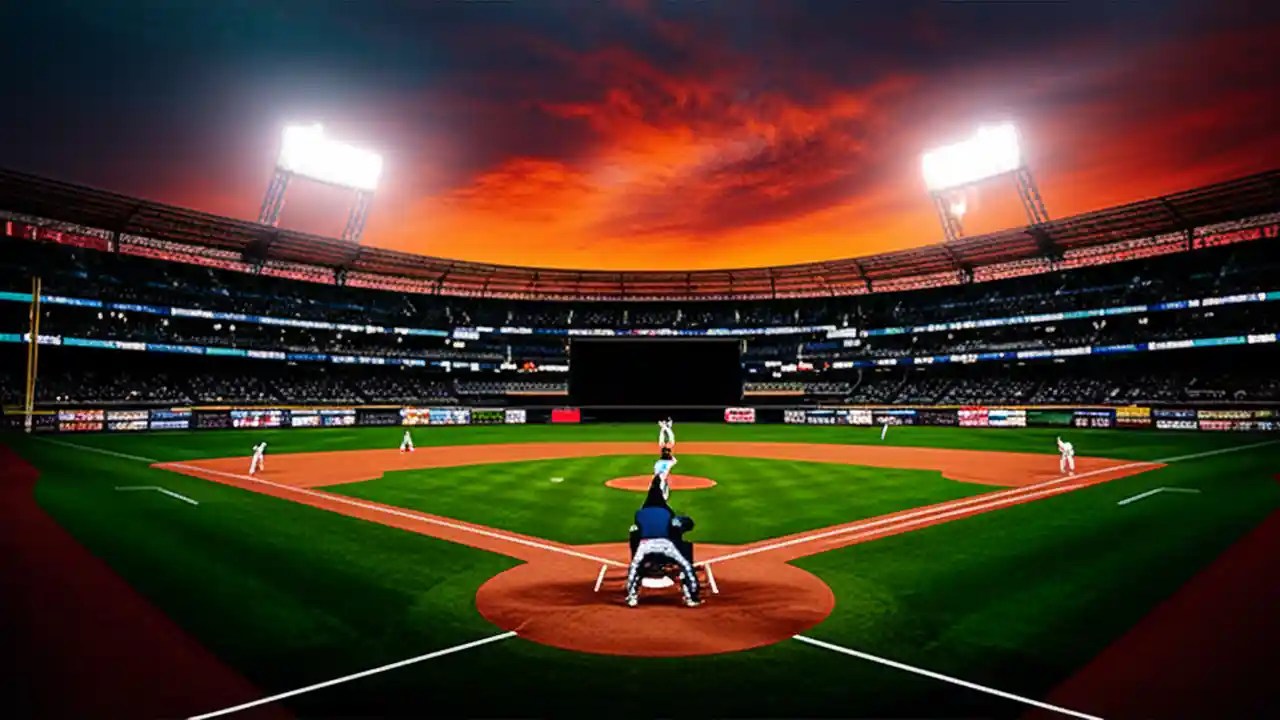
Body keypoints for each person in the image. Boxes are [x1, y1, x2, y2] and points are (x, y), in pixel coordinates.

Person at [625, 482, 700, 608]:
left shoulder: (640, 513)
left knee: (634, 568)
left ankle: (632, 597)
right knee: (685, 565)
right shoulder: (666, 513)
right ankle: (691, 597)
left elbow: (636, 532)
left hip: (645, 546)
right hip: (666, 545)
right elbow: (677, 527)